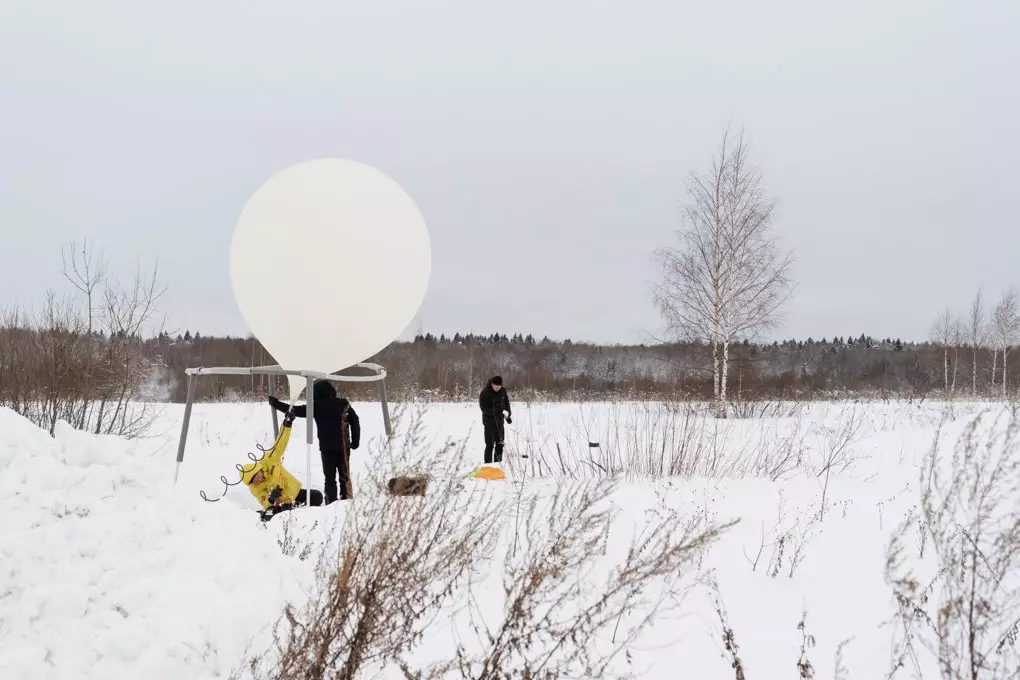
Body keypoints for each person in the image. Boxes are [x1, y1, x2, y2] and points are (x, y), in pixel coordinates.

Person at [269, 379, 361, 504]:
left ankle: (331, 503)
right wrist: (356, 439)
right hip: (343, 447)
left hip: (326, 448)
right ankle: (346, 501)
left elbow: (294, 410)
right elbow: (354, 420)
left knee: (329, 478)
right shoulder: (343, 404)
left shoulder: (316, 406)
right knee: (344, 477)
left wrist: (276, 403)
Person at [239, 411, 323, 521]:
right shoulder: (254, 488)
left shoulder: (269, 459)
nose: (258, 479)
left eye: (256, 476)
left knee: (317, 496)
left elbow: (279, 444)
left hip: (295, 493)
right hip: (280, 505)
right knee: (271, 515)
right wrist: (271, 499)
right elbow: (265, 503)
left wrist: (287, 424)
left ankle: (296, 508)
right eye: (254, 480)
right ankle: (285, 512)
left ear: (257, 469)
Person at [478, 375, 511, 464]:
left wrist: (508, 413)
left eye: (499, 386)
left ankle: (498, 464)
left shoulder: (503, 391)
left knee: (500, 444)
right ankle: (488, 465)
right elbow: (483, 408)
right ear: (492, 384)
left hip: (500, 423)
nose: (497, 388)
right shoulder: (485, 393)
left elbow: (506, 403)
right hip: (489, 423)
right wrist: (496, 412)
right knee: (490, 445)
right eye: (495, 386)